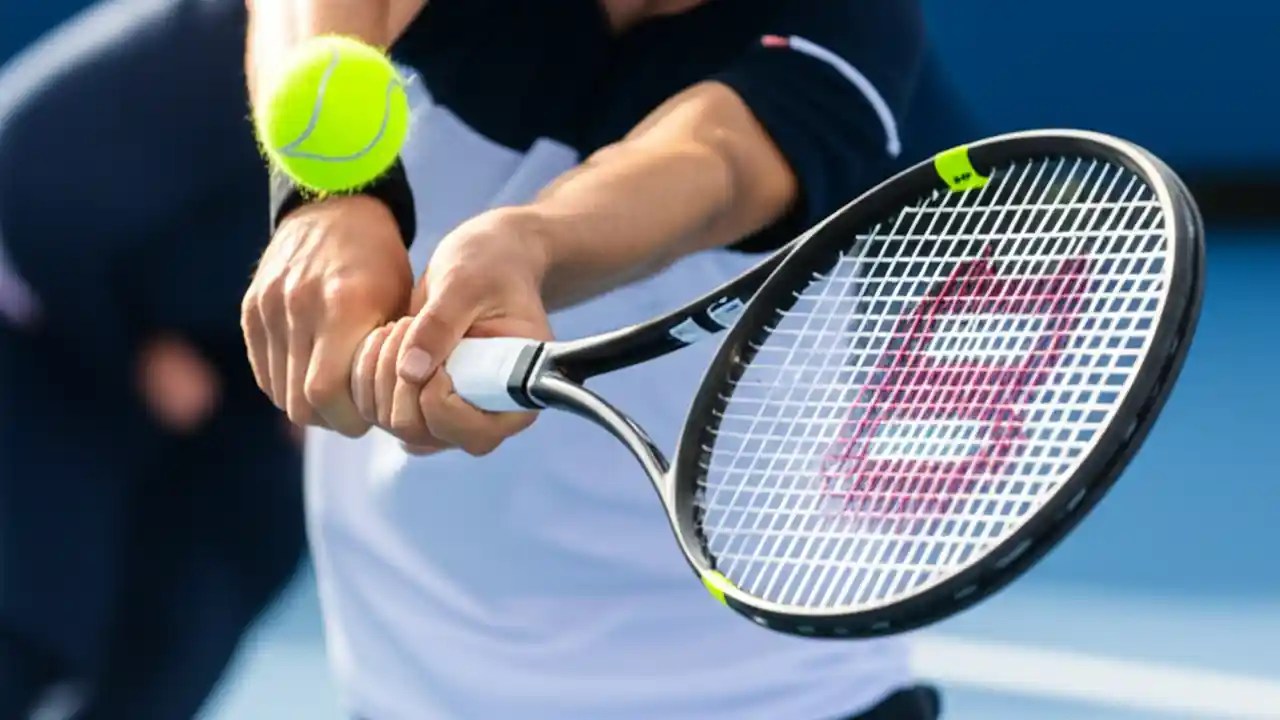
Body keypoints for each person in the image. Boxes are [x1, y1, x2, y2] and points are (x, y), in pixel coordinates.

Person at [243, 2, 980, 719]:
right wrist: (331, 192)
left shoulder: (851, 25)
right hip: (413, 684)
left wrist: (528, 246)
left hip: (770, 693)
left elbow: (710, 161)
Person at [0, 1, 304, 717]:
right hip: (49, 335)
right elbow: (28, 194)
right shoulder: (212, 43)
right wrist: (132, 353)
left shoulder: (487, 69)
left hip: (209, 370)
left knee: (241, 548)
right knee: (28, 622)